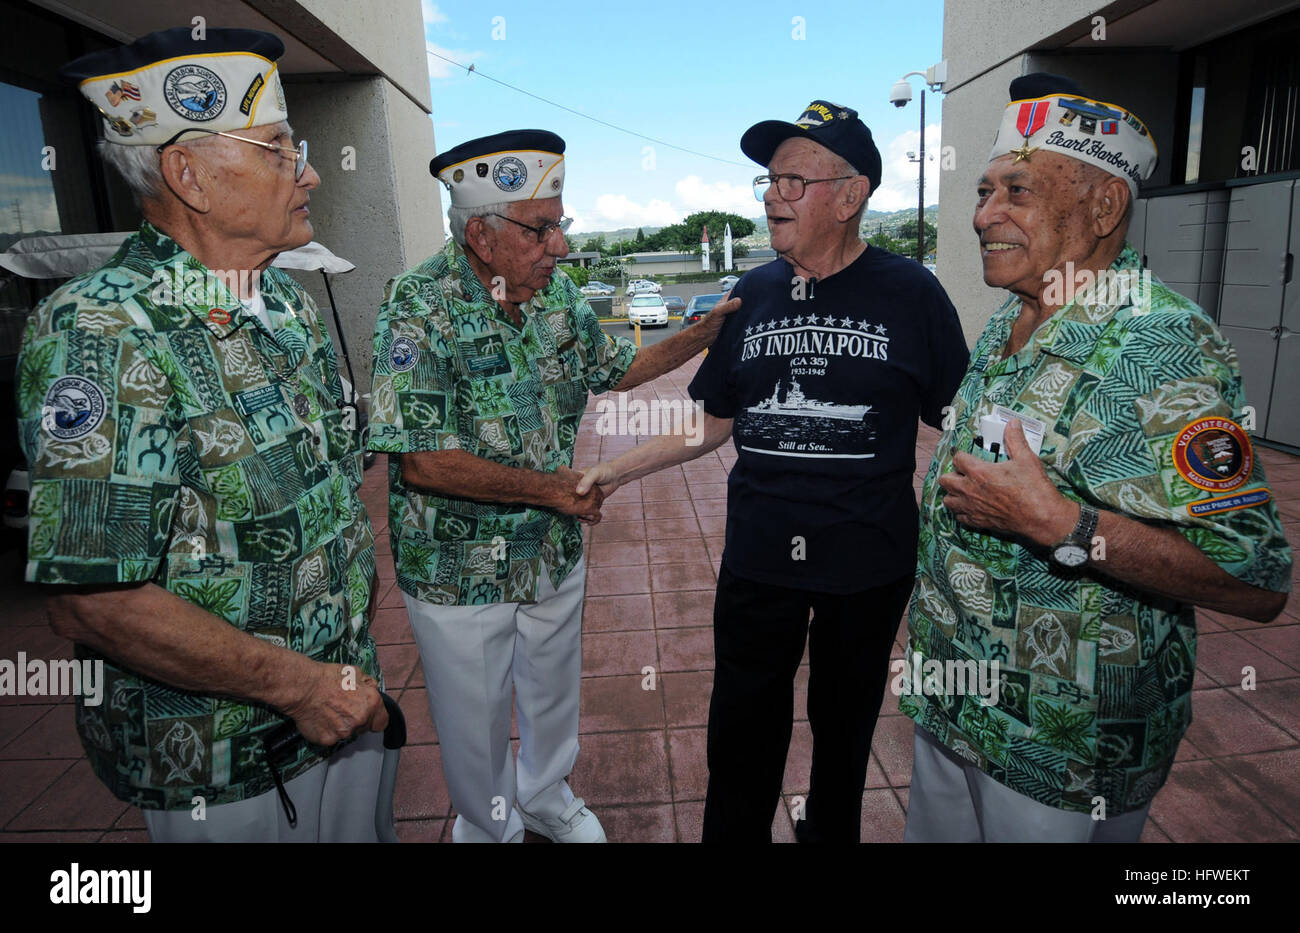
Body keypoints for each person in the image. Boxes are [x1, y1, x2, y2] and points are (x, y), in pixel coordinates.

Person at [16, 27, 388, 842]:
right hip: (226, 762)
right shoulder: (102, 331)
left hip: (346, 704)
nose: (311, 172)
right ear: (188, 174)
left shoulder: (284, 300)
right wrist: (299, 688)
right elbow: (96, 599)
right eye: (281, 149)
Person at [901, 73, 1294, 843]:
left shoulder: (1162, 344)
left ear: (1103, 206)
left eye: (1015, 190)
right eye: (983, 192)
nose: (984, 216)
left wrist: (1066, 525)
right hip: (952, 706)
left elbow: (1256, 579)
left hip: (1060, 753)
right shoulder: (1008, 321)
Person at [577, 101, 970, 842]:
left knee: (845, 727)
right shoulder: (753, 294)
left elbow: (957, 418)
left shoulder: (913, 294)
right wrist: (616, 470)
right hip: (760, 559)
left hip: (869, 561)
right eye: (768, 180)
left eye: (793, 181)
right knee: (742, 728)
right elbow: (714, 418)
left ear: (851, 196)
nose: (769, 195)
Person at [368, 129, 738, 843]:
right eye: (541, 230)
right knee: (474, 723)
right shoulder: (417, 305)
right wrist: (550, 490)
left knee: (551, 693)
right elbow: (423, 461)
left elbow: (614, 369)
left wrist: (702, 334)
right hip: (458, 569)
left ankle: (545, 794)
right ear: (481, 233)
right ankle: (489, 824)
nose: (560, 247)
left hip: (550, 549)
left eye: (559, 224)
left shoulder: (554, 295)